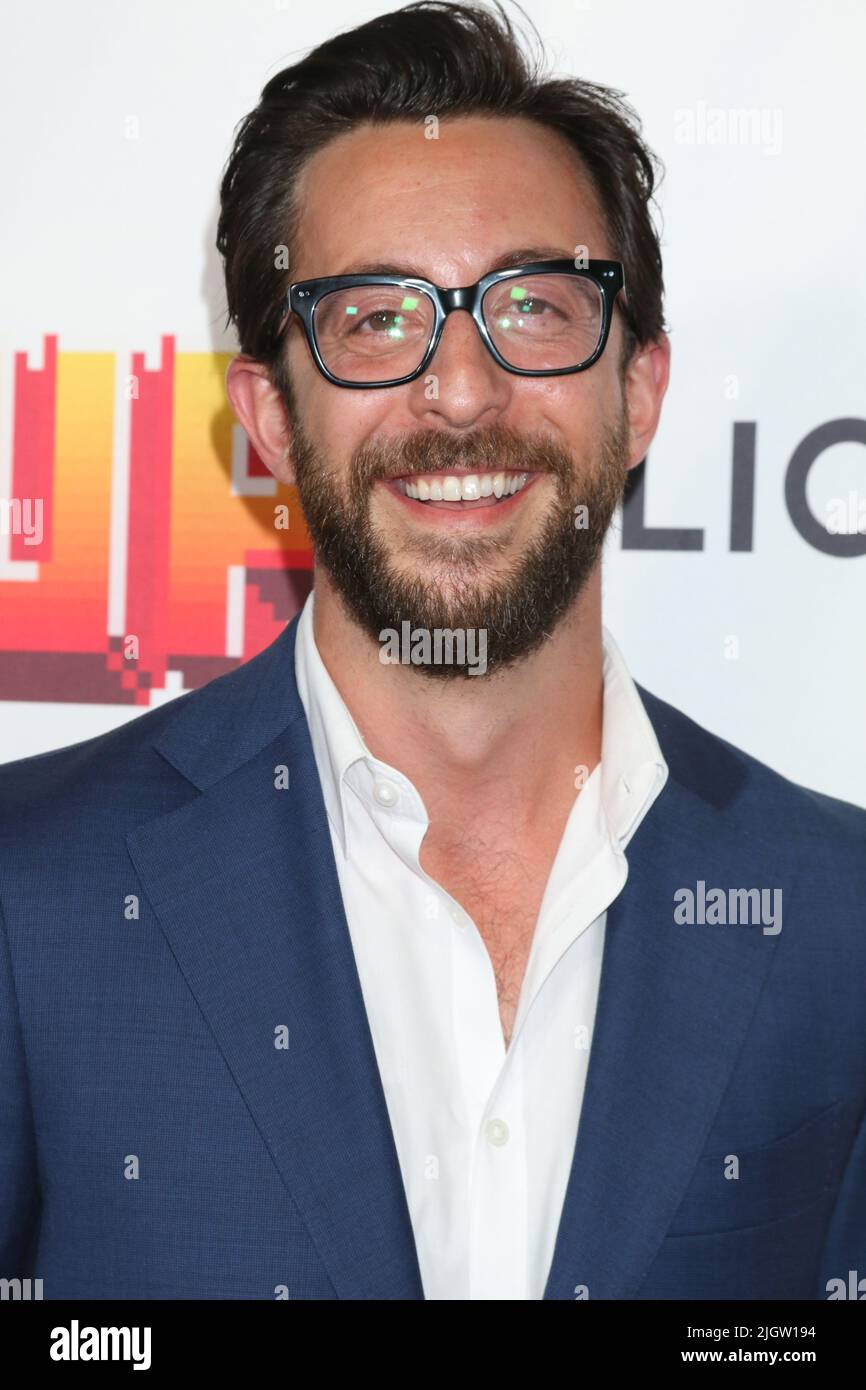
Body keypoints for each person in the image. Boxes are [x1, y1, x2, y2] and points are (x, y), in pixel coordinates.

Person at [1, 0, 864, 1302]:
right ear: (271, 422)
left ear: (636, 392)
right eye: (372, 319)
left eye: (532, 306)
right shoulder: (30, 896)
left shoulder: (835, 912)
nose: (459, 390)